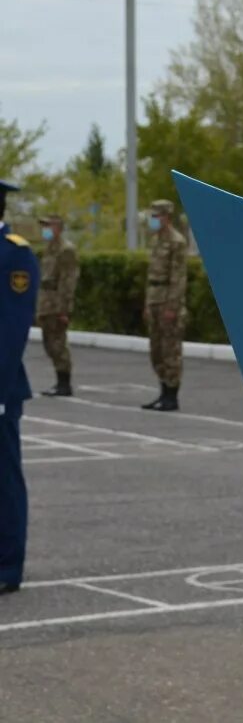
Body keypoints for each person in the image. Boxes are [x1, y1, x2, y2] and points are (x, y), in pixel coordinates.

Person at [1, 181, 39, 595]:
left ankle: (8, 566)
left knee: (4, 481)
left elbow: (11, 331)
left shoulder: (14, 253)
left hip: (2, 389)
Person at [141, 200, 187, 412]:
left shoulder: (176, 242)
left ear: (166, 217)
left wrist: (172, 306)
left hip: (168, 301)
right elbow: (151, 277)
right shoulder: (156, 241)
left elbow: (178, 277)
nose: (153, 220)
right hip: (154, 299)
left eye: (156, 216)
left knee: (170, 350)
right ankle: (162, 392)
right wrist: (148, 304)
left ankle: (172, 396)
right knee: (156, 350)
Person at [36, 215, 79, 397]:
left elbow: (68, 281)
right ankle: (58, 380)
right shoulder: (49, 249)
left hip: (57, 303)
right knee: (49, 343)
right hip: (46, 302)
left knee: (58, 343)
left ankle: (64, 383)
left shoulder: (65, 249)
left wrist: (64, 309)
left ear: (58, 227)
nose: (45, 229)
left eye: (48, 225)